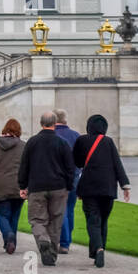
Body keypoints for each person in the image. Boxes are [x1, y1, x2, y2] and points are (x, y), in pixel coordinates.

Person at [17, 111, 76, 267]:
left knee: (37, 220)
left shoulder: (33, 142)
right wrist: (69, 186)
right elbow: (70, 168)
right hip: (59, 187)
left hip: (37, 186)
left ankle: (43, 239)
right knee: (56, 221)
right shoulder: (62, 143)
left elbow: (24, 166)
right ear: (55, 123)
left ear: (41, 123)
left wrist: (22, 186)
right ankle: (52, 254)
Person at [73, 114, 132, 268]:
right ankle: (100, 249)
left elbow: (77, 162)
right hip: (108, 188)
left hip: (89, 187)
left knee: (93, 220)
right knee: (103, 221)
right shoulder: (108, 142)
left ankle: (98, 249)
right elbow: (117, 164)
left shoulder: (82, 140)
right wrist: (125, 185)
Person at [0, 119, 27, 254]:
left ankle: (8, 236)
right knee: (14, 215)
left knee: (1, 214)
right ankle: (11, 241)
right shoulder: (23, 146)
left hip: (0, 185)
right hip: (18, 185)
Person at [53, 109, 81, 254]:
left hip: (57, 178)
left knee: (60, 211)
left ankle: (63, 242)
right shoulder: (75, 135)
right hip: (74, 177)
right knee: (69, 210)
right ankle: (66, 240)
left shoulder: (52, 135)